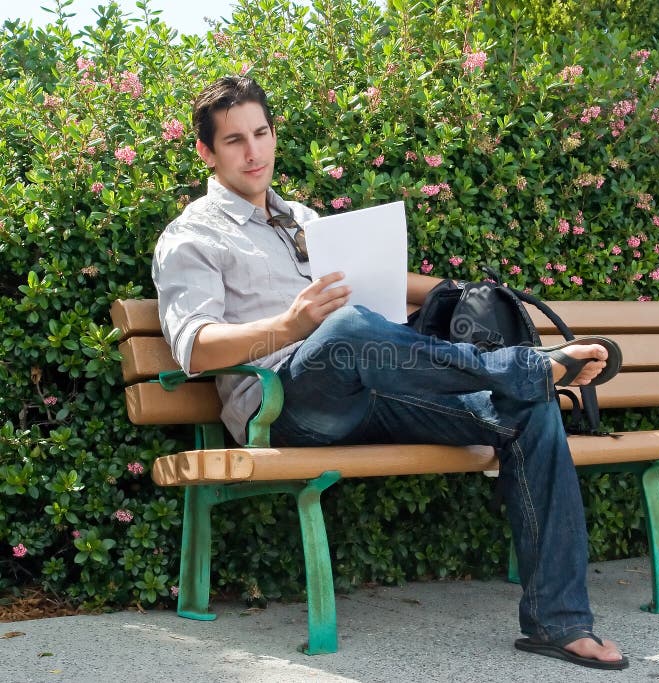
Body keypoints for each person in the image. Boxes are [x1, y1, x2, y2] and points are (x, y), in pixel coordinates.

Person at [152, 75, 628, 670]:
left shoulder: (302, 218)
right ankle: (529, 369)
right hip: (285, 405)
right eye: (234, 141)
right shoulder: (191, 236)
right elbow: (194, 347)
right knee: (349, 328)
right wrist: (291, 324)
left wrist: (464, 292)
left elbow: (373, 290)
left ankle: (560, 623)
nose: (254, 152)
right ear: (206, 152)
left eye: (262, 133)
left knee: (524, 411)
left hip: (374, 388)